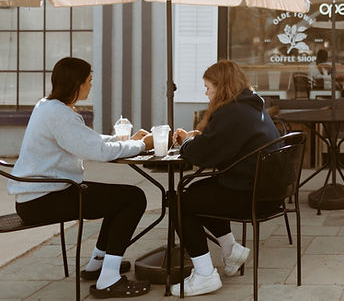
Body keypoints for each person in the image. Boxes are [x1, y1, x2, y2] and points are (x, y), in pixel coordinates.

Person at [7, 57, 153, 299]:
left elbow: (87, 140)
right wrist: (140, 144)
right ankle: (109, 279)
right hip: (46, 199)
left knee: (119, 197)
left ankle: (98, 264)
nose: (91, 85)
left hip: (37, 197)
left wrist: (125, 141)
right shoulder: (60, 114)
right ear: (77, 84)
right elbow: (98, 151)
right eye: (89, 80)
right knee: (133, 198)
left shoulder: (46, 106)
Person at [170, 60, 281, 297]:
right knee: (197, 192)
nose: (206, 92)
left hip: (251, 196)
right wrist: (197, 140)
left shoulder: (233, 112)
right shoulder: (251, 106)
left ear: (222, 87)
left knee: (179, 201)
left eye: (208, 87)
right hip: (269, 192)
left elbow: (203, 155)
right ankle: (231, 251)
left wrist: (187, 142)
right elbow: (218, 146)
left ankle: (205, 276)